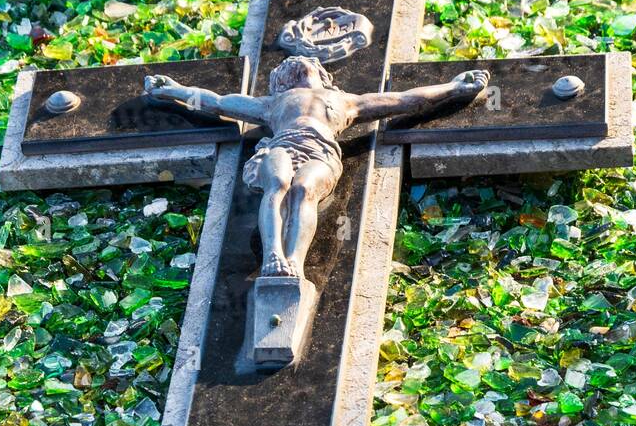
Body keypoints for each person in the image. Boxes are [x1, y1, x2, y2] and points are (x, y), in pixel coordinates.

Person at [145, 56, 490, 281]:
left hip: (321, 151)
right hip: (281, 146)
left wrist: (454, 87)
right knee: (278, 182)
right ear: (281, 80)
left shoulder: (345, 101)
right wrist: (173, 91)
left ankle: (293, 259)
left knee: (303, 190)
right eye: (293, 66)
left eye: (307, 64)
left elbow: (407, 99)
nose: (302, 66)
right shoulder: (272, 103)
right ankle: (274, 256)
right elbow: (217, 102)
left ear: (323, 75)